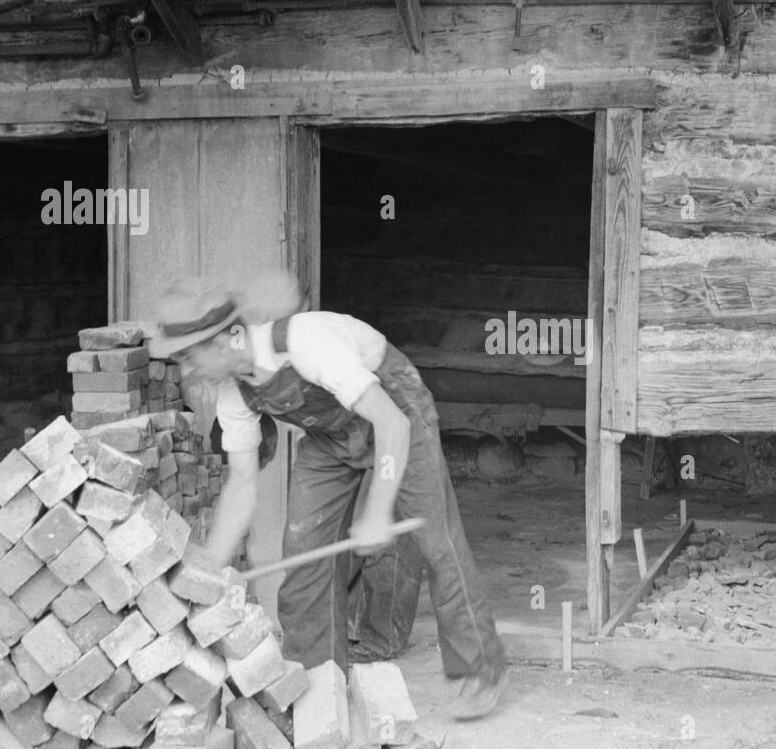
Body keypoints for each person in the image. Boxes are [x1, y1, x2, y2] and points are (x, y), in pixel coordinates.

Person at [148, 276, 508, 720]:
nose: (187, 370)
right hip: (331, 437)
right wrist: (209, 573)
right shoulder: (232, 392)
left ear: (232, 336)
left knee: (438, 543)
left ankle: (480, 667)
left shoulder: (309, 343)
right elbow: (242, 484)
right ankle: (318, 685)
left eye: (191, 354)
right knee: (304, 558)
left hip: (397, 412)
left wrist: (377, 510)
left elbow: (391, 425)